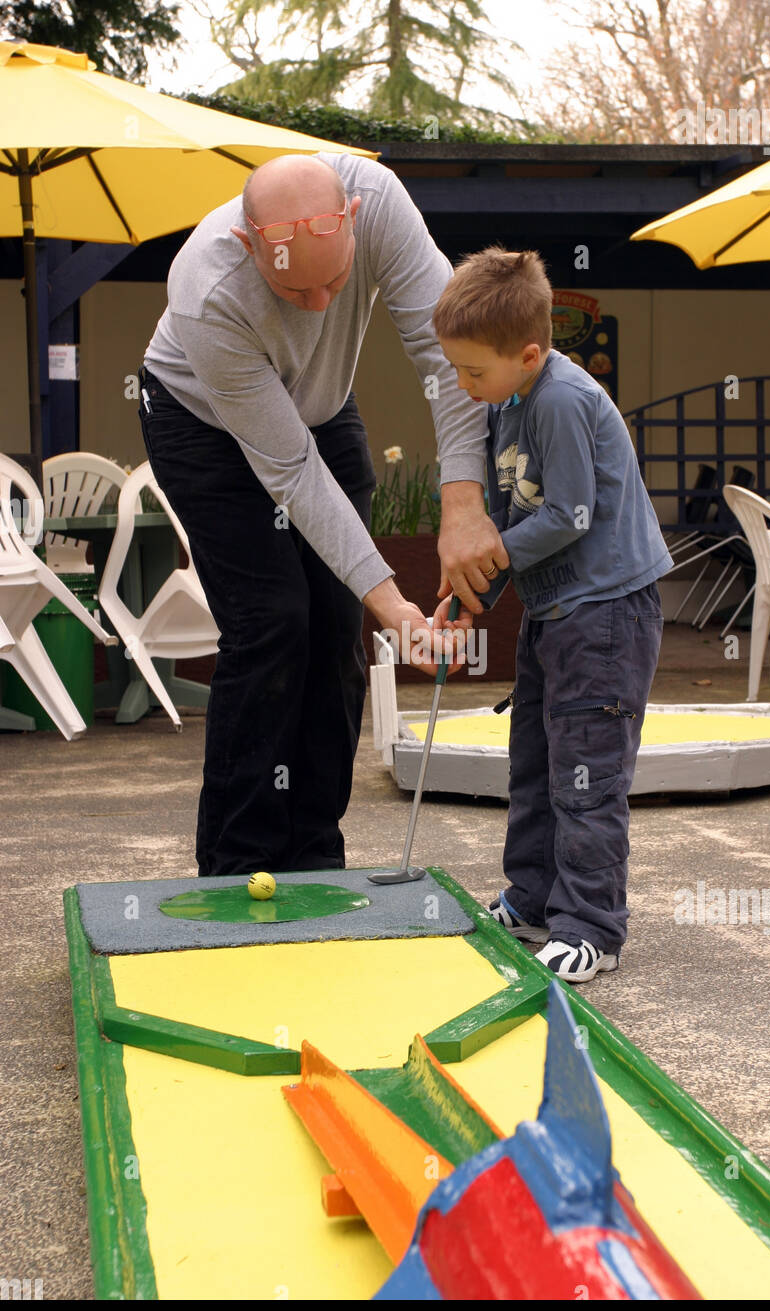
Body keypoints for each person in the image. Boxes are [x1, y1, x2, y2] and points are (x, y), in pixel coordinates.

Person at [138, 153, 508, 876]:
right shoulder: (206, 289)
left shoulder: (382, 205)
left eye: (334, 283)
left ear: (354, 223)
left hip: (322, 406)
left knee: (337, 627)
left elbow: (447, 358)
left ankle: (314, 852)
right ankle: (236, 863)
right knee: (274, 621)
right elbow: (291, 471)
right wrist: (396, 604)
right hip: (201, 421)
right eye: (292, 288)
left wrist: (463, 501)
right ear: (250, 245)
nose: (315, 306)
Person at [432, 247, 673, 983]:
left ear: (529, 353)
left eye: (474, 372)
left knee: (585, 775)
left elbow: (568, 514)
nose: (465, 386)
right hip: (556, 613)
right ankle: (534, 897)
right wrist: (470, 593)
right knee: (535, 763)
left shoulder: (562, 400)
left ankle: (592, 925)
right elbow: (506, 518)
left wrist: (494, 555)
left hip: (604, 614)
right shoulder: (508, 404)